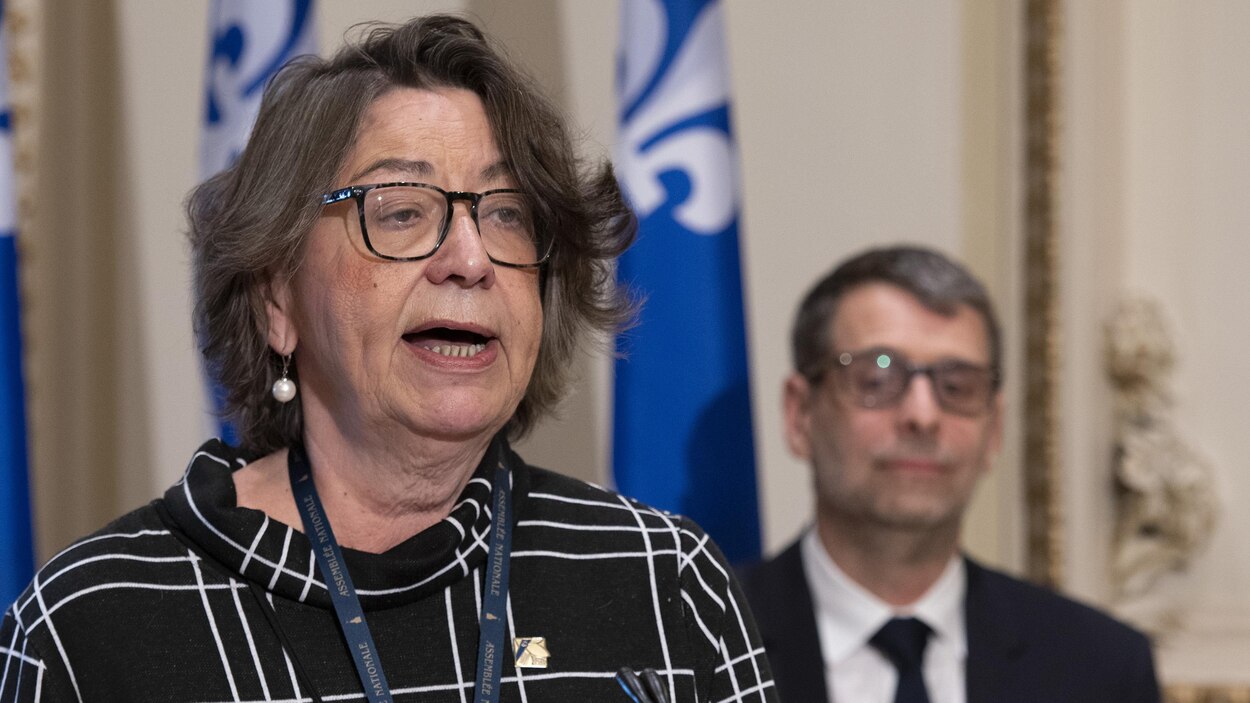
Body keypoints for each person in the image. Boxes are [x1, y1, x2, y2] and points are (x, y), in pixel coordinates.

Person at [1, 16, 775, 702]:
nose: (470, 258)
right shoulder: (94, 621)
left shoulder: (662, 576)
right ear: (277, 298)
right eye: (402, 209)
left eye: (506, 213)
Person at [740, 246, 1160, 702]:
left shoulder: (1100, 665)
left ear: (994, 428)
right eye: (877, 378)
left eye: (957, 387)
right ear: (799, 413)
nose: (923, 415)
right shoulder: (696, 639)